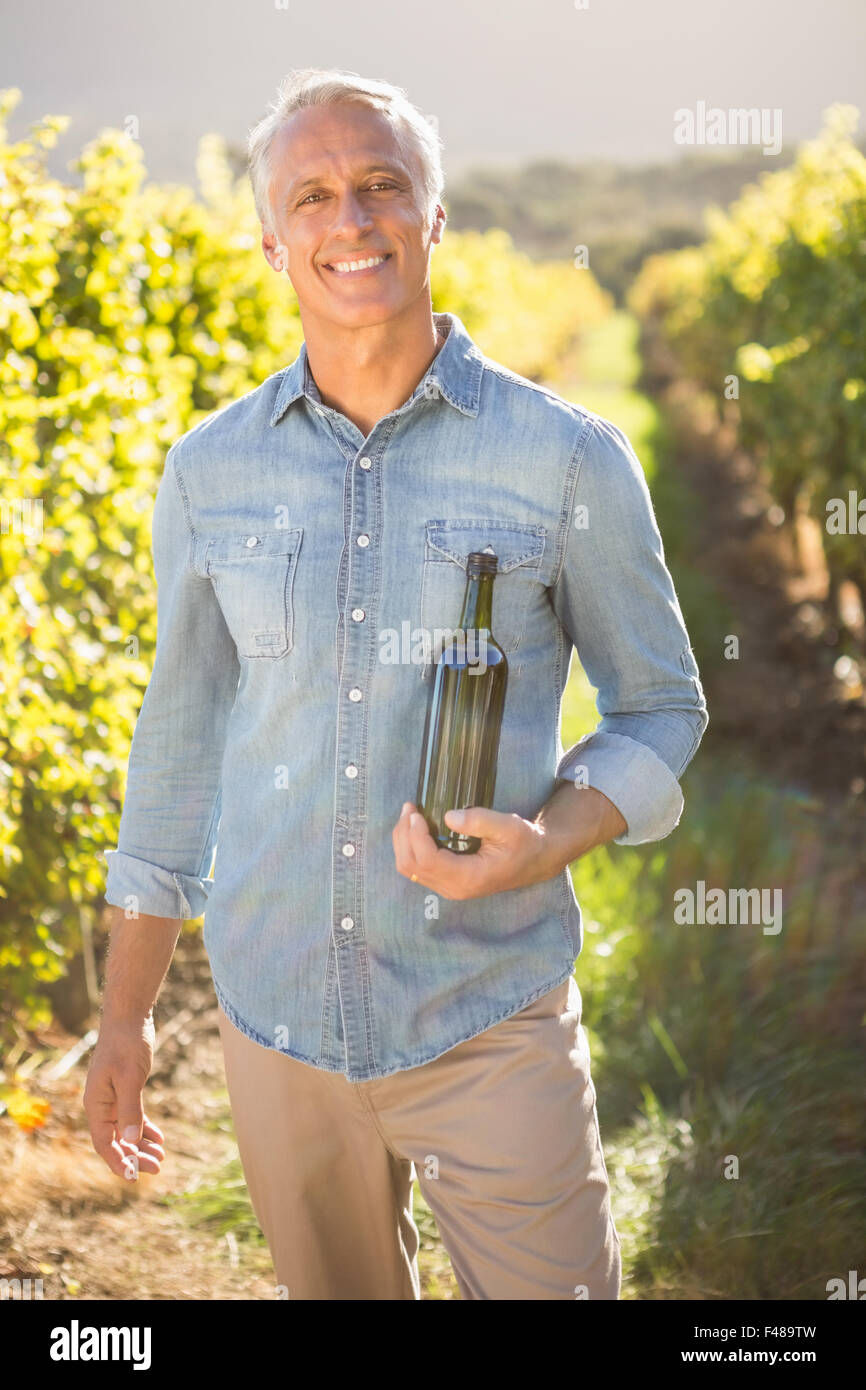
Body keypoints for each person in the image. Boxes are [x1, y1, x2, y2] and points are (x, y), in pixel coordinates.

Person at [85, 67, 708, 1301]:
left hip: (488, 1010)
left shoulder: (566, 456)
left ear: (433, 218)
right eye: (311, 195)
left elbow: (660, 703)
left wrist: (548, 840)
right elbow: (178, 747)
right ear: (271, 238)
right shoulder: (208, 473)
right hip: (275, 1029)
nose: (349, 220)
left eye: (381, 187)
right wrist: (123, 1017)